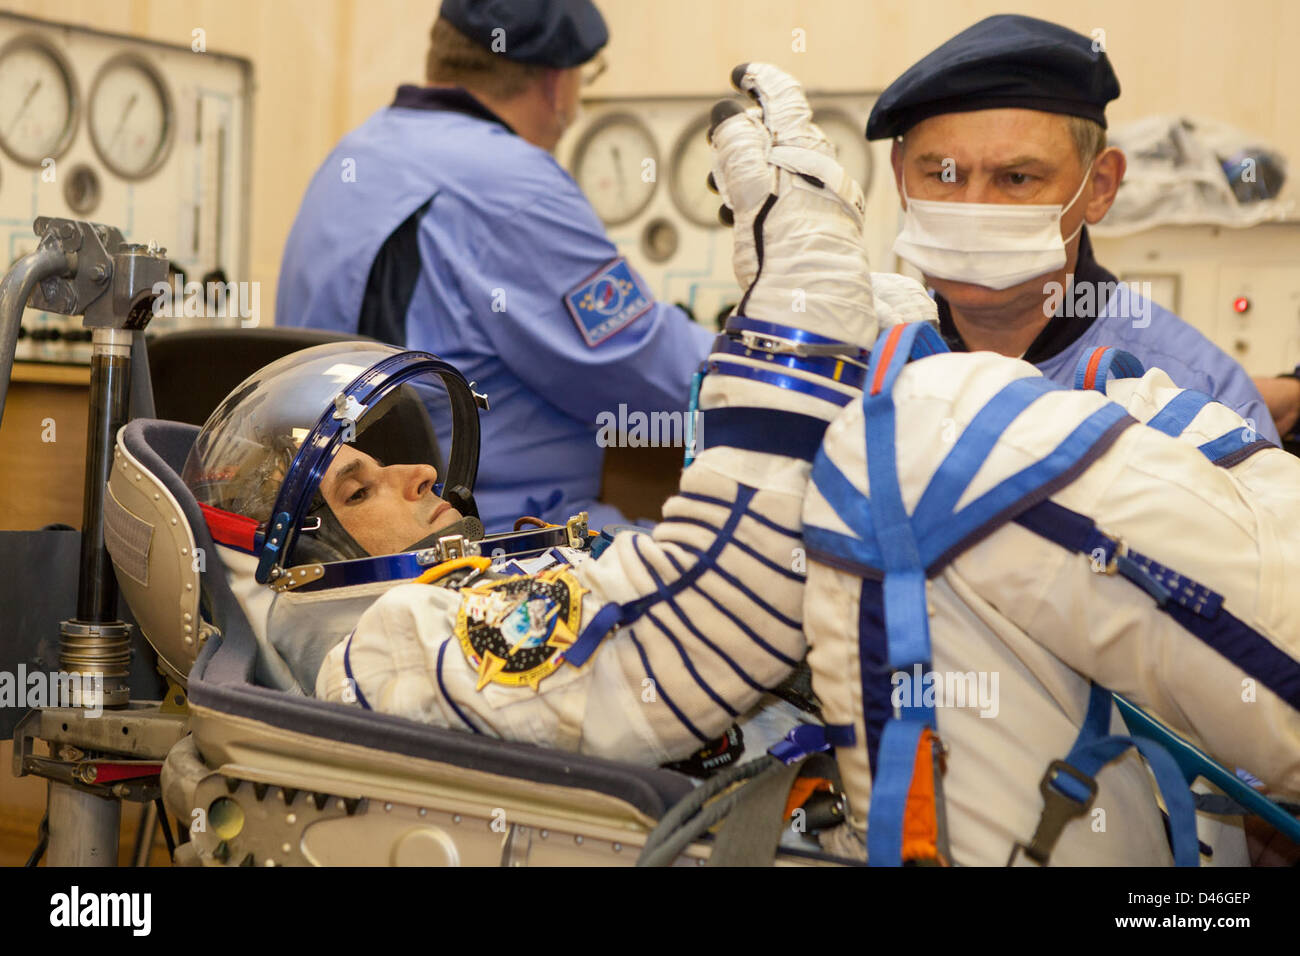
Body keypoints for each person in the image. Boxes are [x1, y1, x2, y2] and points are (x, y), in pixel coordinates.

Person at [189, 64, 1299, 865]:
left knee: (1092, 418)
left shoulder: (501, 578)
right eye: (359, 486)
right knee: (922, 425)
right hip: (872, 788)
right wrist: (802, 315)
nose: (419, 477)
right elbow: (686, 632)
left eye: (1014, 180)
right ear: (300, 555)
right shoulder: (387, 638)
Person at [274, 0, 713, 534]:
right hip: (496, 540)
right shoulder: (514, 184)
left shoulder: (352, 155)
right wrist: (790, 358)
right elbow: (650, 370)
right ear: (557, 83)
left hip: (346, 538)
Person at [867, 14, 1280, 446]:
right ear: (900, 178)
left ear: (1100, 186)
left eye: (1017, 179)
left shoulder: (1203, 403)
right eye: (943, 175)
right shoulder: (858, 367)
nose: (975, 209)